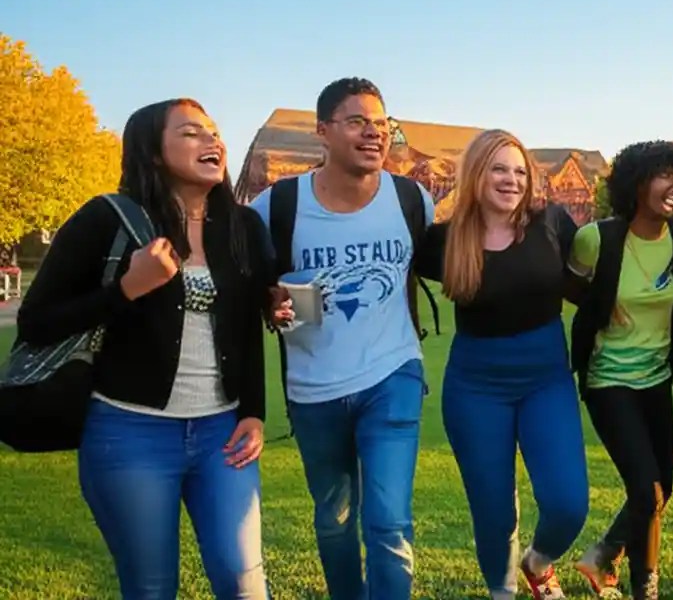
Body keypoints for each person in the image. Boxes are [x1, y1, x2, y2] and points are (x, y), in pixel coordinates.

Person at [18, 99, 271, 599]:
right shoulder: (104, 219)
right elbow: (36, 322)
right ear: (153, 153)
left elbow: (247, 325)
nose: (212, 141)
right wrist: (127, 288)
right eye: (191, 133)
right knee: (151, 588)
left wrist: (255, 411)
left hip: (223, 433)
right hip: (128, 434)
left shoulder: (244, 227)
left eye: (214, 132)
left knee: (245, 582)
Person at [251, 78, 433, 600]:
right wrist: (270, 299)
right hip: (314, 389)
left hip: (393, 374)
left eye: (381, 123)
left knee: (389, 522)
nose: (373, 133)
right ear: (323, 132)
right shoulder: (276, 206)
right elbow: (251, 283)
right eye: (357, 122)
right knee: (334, 519)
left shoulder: (410, 199)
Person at [422, 130, 589, 600]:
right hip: (475, 386)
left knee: (567, 503)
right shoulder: (444, 241)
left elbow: (593, 276)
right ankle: (504, 590)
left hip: (545, 380)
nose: (511, 180)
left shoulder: (551, 222)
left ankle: (537, 563)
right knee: (494, 512)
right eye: (499, 168)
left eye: (519, 171)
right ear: (476, 174)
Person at [569, 141, 673, 600]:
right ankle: (644, 590)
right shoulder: (598, 238)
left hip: (656, 380)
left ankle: (604, 554)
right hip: (608, 379)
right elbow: (571, 286)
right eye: (664, 175)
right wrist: (601, 307)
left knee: (659, 489)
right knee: (646, 492)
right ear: (636, 182)